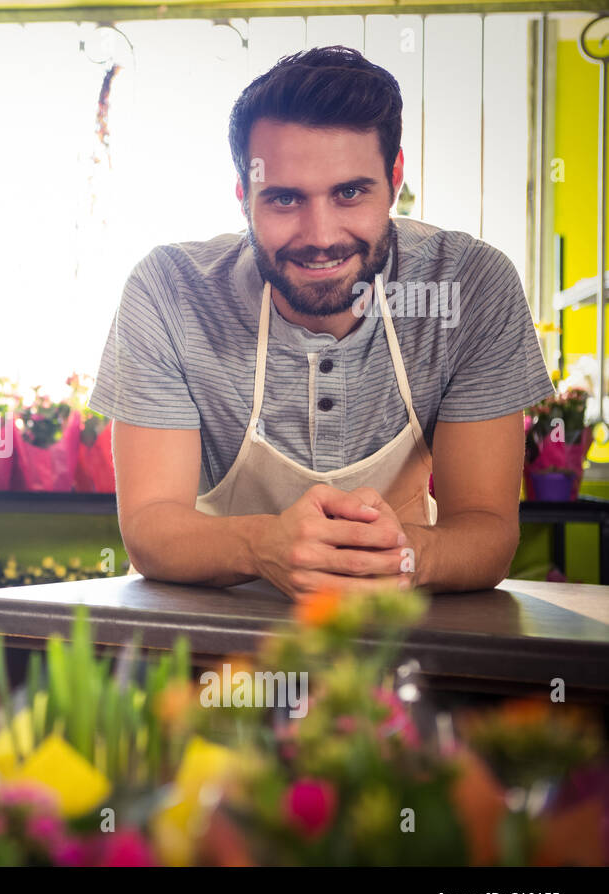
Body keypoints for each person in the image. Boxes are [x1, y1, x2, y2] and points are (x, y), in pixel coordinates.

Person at [88, 46, 554, 598]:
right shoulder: (169, 290)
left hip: (399, 632)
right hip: (212, 645)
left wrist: (406, 555)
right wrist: (264, 546)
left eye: (350, 192)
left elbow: (487, 529)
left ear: (395, 176)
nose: (321, 236)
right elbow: (149, 527)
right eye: (285, 199)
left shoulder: (470, 287)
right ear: (244, 197)